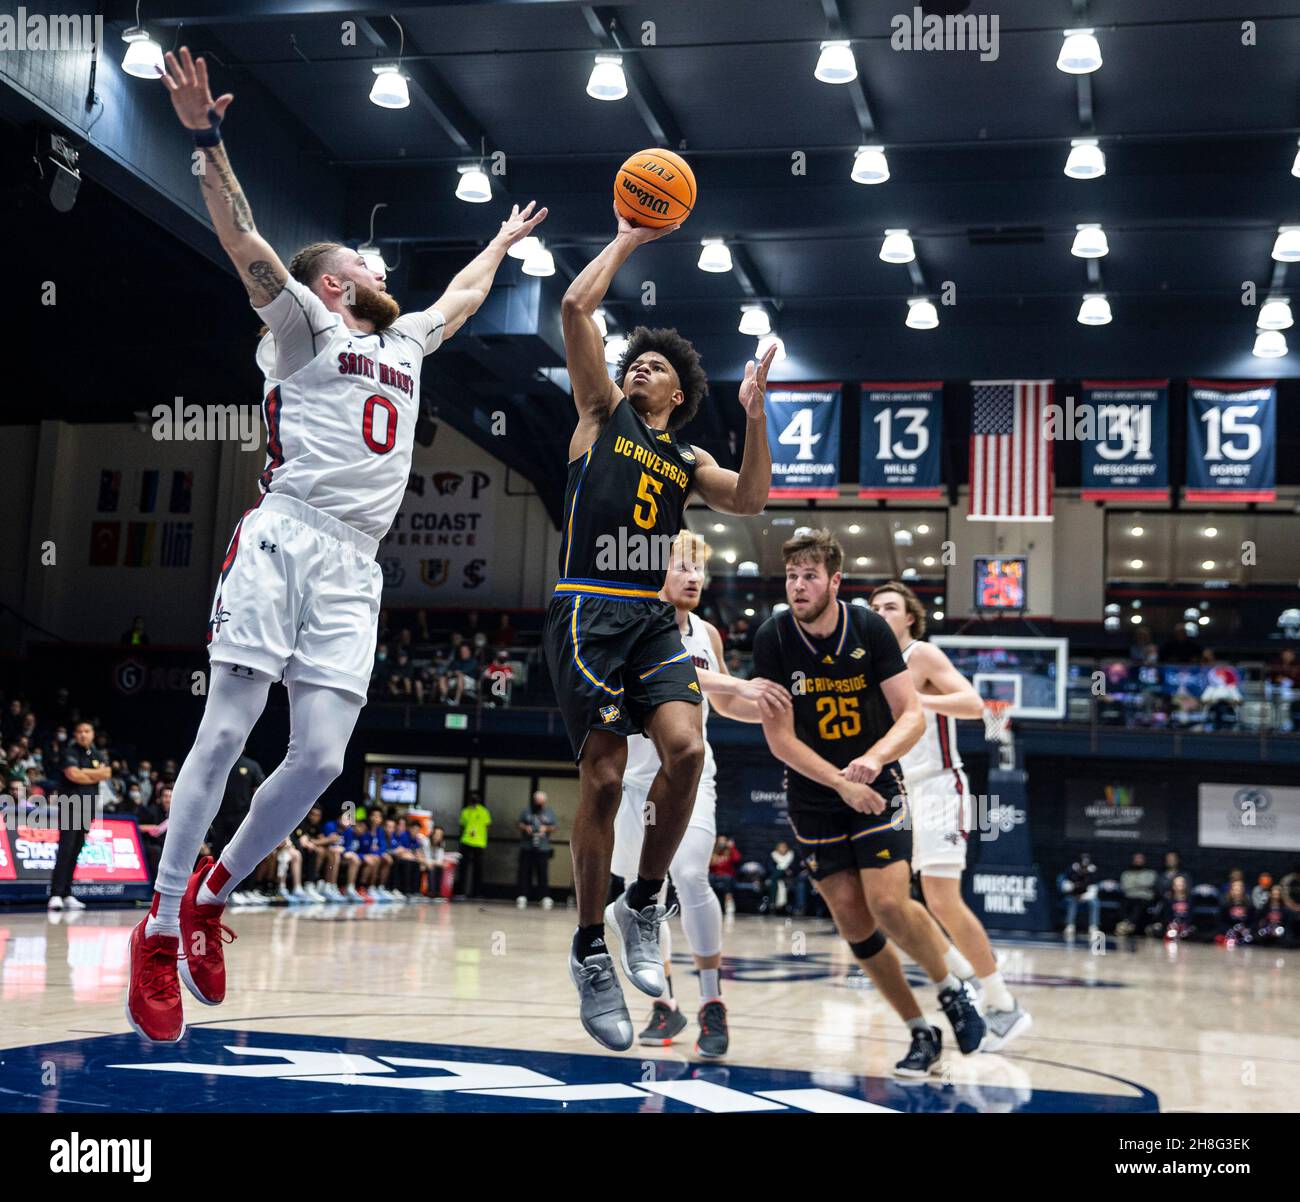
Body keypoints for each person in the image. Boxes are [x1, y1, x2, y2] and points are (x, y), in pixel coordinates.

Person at [125, 46, 547, 1044]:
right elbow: (243, 239)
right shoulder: (306, 324)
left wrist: (498, 238)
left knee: (319, 754)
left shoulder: (404, 344)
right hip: (285, 539)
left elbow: (464, 299)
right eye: (365, 261)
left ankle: (212, 896)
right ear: (332, 279)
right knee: (226, 731)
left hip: (356, 562)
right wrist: (204, 139)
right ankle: (156, 919)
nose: (381, 268)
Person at [545, 205, 774, 1052]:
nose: (636, 369)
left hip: (647, 618)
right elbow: (575, 309)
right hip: (584, 606)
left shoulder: (686, 458)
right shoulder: (602, 413)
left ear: (676, 393)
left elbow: (750, 500)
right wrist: (629, 240)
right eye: (631, 361)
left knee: (687, 751)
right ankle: (587, 950)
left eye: (651, 368)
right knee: (603, 778)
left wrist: (754, 412)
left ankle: (644, 902)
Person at [750, 530, 985, 1072]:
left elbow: (912, 714)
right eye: (791, 576)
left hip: (876, 784)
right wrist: (839, 782)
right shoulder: (774, 637)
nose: (798, 585)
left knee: (887, 904)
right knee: (854, 922)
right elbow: (780, 740)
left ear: (835, 581)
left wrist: (875, 761)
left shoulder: (871, 629)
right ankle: (918, 1030)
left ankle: (952, 989)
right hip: (815, 795)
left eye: (810, 576)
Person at [610, 531, 790, 1058]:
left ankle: (712, 1002)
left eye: (698, 568)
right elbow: (676, 675)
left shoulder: (707, 633)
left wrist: (773, 707)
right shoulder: (633, 620)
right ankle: (664, 1003)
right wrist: (736, 686)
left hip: (690, 776)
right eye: (681, 565)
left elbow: (729, 704)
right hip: (633, 781)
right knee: (638, 897)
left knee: (690, 873)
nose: (692, 576)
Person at [870, 580, 1030, 1052]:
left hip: (940, 784)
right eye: (874, 606)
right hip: (898, 790)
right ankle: (962, 975)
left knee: (942, 899)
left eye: (890, 606)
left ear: (909, 618)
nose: (880, 612)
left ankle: (1002, 1003)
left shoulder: (920, 655)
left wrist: (917, 701)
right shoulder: (869, 665)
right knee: (892, 900)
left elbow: (974, 704)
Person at [49, 720, 108, 911]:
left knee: (76, 849)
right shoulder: (70, 751)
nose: (83, 734)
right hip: (70, 806)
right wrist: (93, 774)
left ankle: (67, 893)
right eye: (79, 731)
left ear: (92, 733)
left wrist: (86, 773)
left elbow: (106, 773)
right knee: (65, 849)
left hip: (88, 807)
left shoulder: (98, 754)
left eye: (87, 731)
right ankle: (56, 894)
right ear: (75, 734)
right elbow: (73, 774)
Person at [516, 791, 558, 908]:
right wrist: (526, 828)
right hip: (527, 846)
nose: (539, 804)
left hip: (543, 848)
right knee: (525, 872)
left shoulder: (549, 812)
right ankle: (523, 895)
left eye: (541, 802)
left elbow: (554, 827)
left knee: (542, 873)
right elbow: (519, 823)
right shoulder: (527, 811)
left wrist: (545, 829)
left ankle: (544, 897)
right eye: (537, 801)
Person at [1116, 851, 1159, 936]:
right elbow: (1125, 886)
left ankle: (1129, 925)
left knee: (1138, 904)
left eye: (1140, 859)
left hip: (1144, 898)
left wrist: (1134, 885)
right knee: (1123, 903)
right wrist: (1141, 885)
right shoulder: (1126, 874)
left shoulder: (1150, 873)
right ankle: (1125, 923)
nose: (1138, 861)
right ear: (1132, 861)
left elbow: (1149, 883)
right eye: (1136, 859)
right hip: (1129, 897)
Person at [458, 792, 491, 898]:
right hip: (466, 841)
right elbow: (462, 825)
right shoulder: (465, 811)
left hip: (479, 842)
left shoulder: (484, 811)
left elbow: (487, 826)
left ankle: (476, 892)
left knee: (478, 869)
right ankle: (461, 891)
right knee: (463, 868)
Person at [1061, 852, 1100, 939]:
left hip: (1087, 896)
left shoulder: (1093, 873)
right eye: (1082, 866)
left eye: (1085, 867)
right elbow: (1065, 886)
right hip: (1073, 895)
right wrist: (1073, 888)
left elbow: (1094, 891)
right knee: (1071, 901)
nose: (1083, 869)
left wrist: (1083, 896)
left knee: (1095, 902)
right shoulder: (1072, 870)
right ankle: (1070, 925)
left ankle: (1093, 926)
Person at [708, 836, 741, 916]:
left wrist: (732, 848)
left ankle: (728, 903)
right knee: (709, 878)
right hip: (715, 875)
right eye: (720, 841)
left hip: (727, 875)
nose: (721, 843)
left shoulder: (729, 852)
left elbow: (737, 859)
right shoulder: (713, 852)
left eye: (723, 841)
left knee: (727, 879)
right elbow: (708, 865)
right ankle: (709, 903)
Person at [1216, 878, 1255, 946]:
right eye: (1235, 889)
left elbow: (1253, 921)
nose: (1237, 892)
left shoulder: (1249, 905)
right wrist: (1228, 930)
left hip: (1244, 933)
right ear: (1231, 891)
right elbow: (1221, 921)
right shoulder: (1226, 904)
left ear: (1243, 890)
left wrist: (1246, 930)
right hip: (1229, 933)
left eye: (1239, 889)